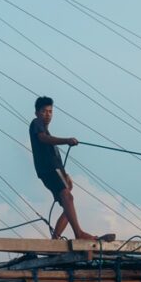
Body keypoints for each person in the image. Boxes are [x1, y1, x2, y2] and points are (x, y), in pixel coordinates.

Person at [29, 96, 105, 241]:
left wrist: (65, 174)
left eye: (50, 112)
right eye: (44, 111)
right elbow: (42, 139)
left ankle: (56, 238)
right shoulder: (36, 124)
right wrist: (66, 140)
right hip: (49, 169)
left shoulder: (46, 130)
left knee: (68, 203)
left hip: (53, 170)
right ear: (37, 113)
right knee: (67, 197)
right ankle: (79, 234)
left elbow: (53, 153)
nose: (47, 115)